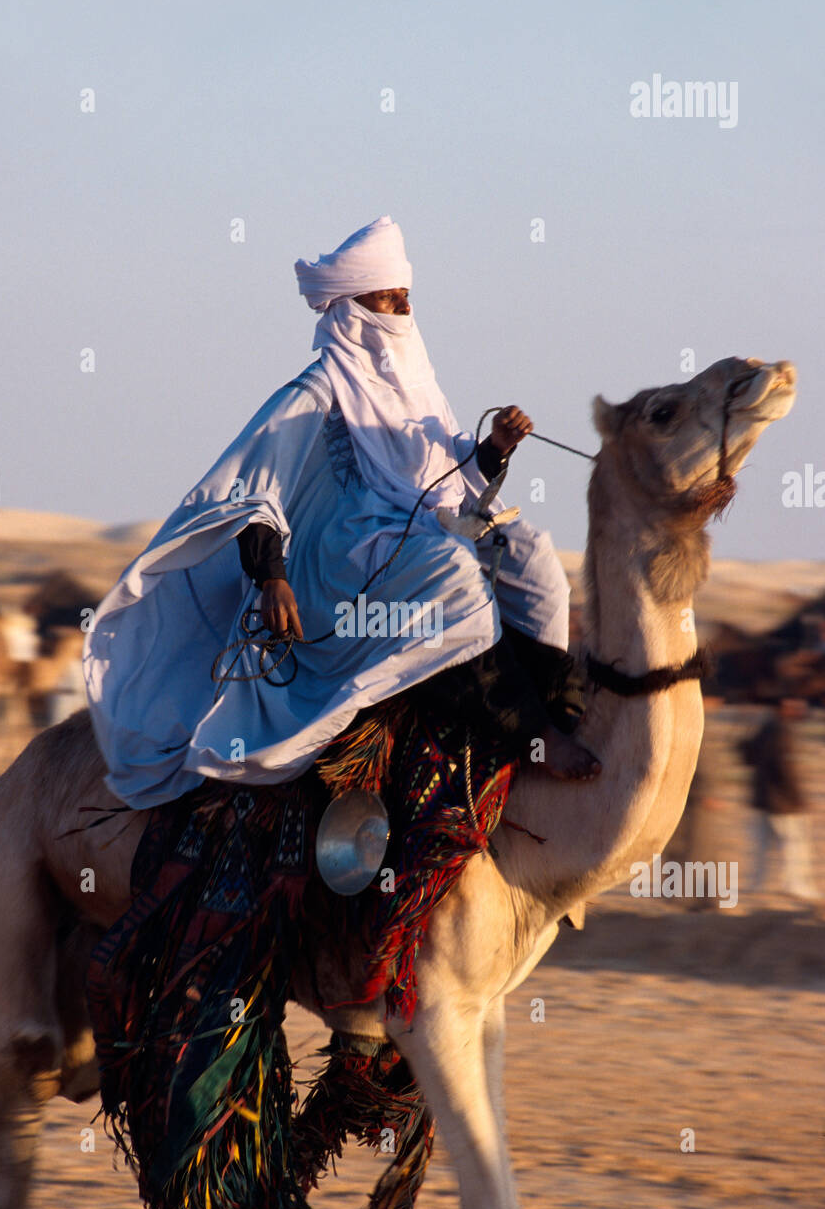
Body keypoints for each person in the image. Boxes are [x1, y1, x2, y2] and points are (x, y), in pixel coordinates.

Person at [84, 216, 598, 811]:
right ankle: (532, 736)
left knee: (534, 556)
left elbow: (448, 480)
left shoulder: (418, 382)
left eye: (406, 297)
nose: (402, 311)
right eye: (388, 298)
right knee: (452, 576)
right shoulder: (318, 389)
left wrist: (494, 451)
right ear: (354, 308)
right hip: (345, 559)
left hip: (431, 531)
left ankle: (557, 711)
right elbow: (252, 486)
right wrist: (271, 576)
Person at [740, 698, 817, 903]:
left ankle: (757, 885)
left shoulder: (764, 728)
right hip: (783, 802)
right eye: (796, 706)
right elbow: (785, 769)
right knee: (794, 846)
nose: (801, 709)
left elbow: (747, 758)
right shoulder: (782, 731)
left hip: (762, 799)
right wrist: (800, 799)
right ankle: (795, 885)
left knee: (761, 848)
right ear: (785, 707)